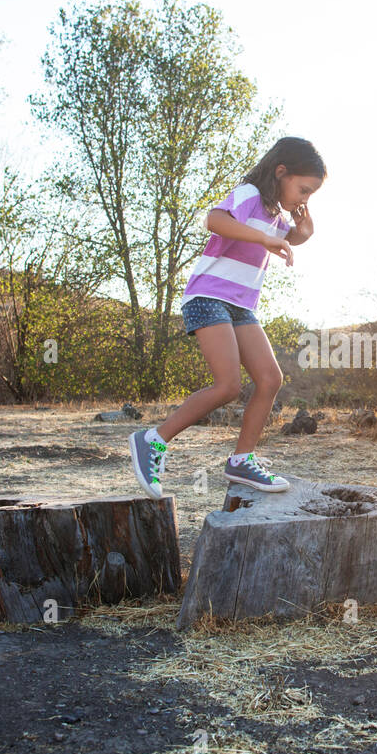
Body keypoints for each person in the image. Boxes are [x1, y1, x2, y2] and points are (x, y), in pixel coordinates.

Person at [130, 137, 326, 497]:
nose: (304, 199)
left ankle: (241, 461)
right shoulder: (250, 194)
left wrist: (304, 231)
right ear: (281, 172)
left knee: (269, 378)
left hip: (241, 305)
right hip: (208, 296)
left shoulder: (277, 216)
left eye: (311, 194)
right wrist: (264, 239)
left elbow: (291, 238)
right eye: (303, 189)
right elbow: (215, 219)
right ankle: (152, 441)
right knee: (229, 385)